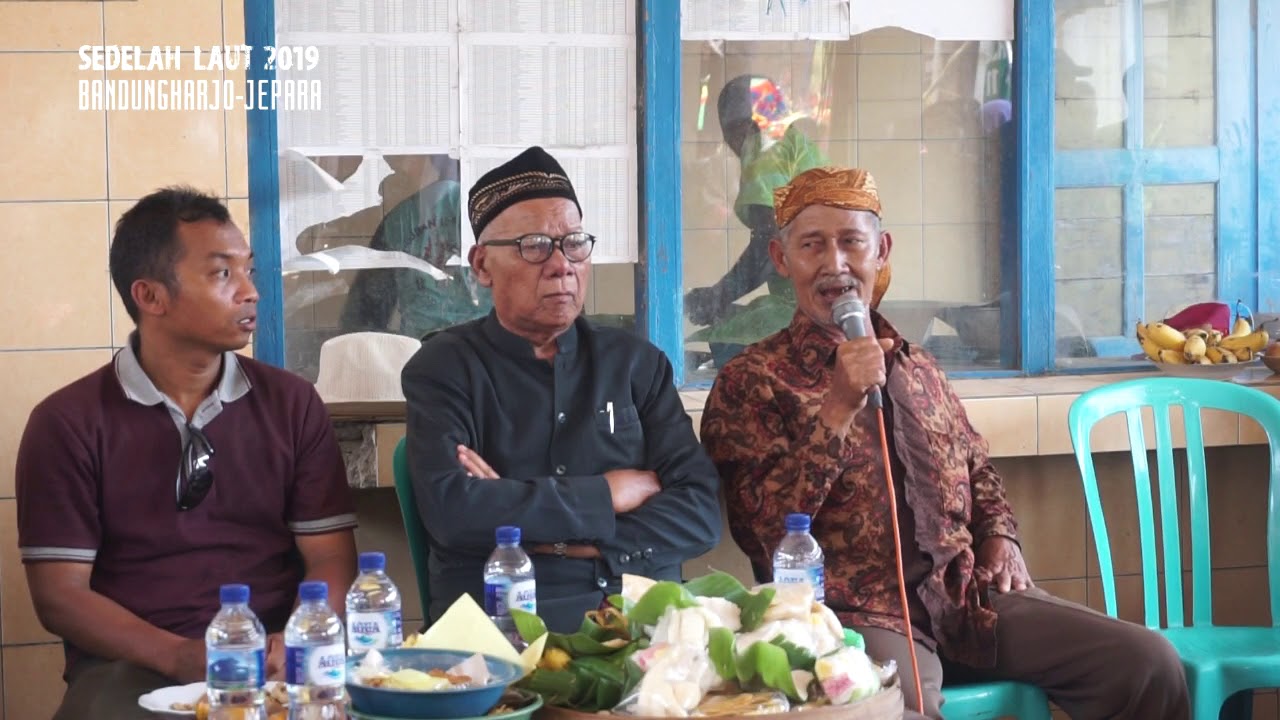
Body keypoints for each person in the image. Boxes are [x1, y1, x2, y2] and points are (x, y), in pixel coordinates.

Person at [700, 167, 1189, 719]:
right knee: (890, 709)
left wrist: (1001, 537)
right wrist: (836, 408)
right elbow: (766, 533)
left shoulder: (917, 364)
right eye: (812, 245)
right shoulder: (752, 380)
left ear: (880, 250)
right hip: (852, 616)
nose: (834, 264)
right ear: (782, 259)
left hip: (965, 601)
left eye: (851, 242)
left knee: (1146, 663)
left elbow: (978, 467)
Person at [15, 187, 359, 720]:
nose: (251, 292)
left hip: (273, 656)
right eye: (223, 274)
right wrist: (178, 656)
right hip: (132, 666)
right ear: (151, 297)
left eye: (249, 270)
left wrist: (297, 637)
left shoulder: (291, 403)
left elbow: (331, 556)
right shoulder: (67, 422)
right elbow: (60, 598)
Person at [401, 146, 722, 632]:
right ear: (483, 266)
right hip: (504, 627)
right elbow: (455, 511)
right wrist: (606, 494)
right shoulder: (444, 368)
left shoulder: (635, 365)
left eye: (574, 243)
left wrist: (552, 534)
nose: (561, 264)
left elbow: (699, 512)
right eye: (534, 245)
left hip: (637, 623)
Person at [684, 76, 829, 364]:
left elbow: (769, 243)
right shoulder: (797, 146)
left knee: (710, 341)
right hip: (820, 305)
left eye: (728, 131)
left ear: (744, 126)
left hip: (799, 309)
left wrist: (719, 296)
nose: (730, 143)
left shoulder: (765, 151)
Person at [341, 154, 494, 338]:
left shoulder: (398, 220)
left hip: (423, 350)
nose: (398, 170)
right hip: (485, 346)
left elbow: (365, 315)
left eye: (399, 162)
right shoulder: (489, 213)